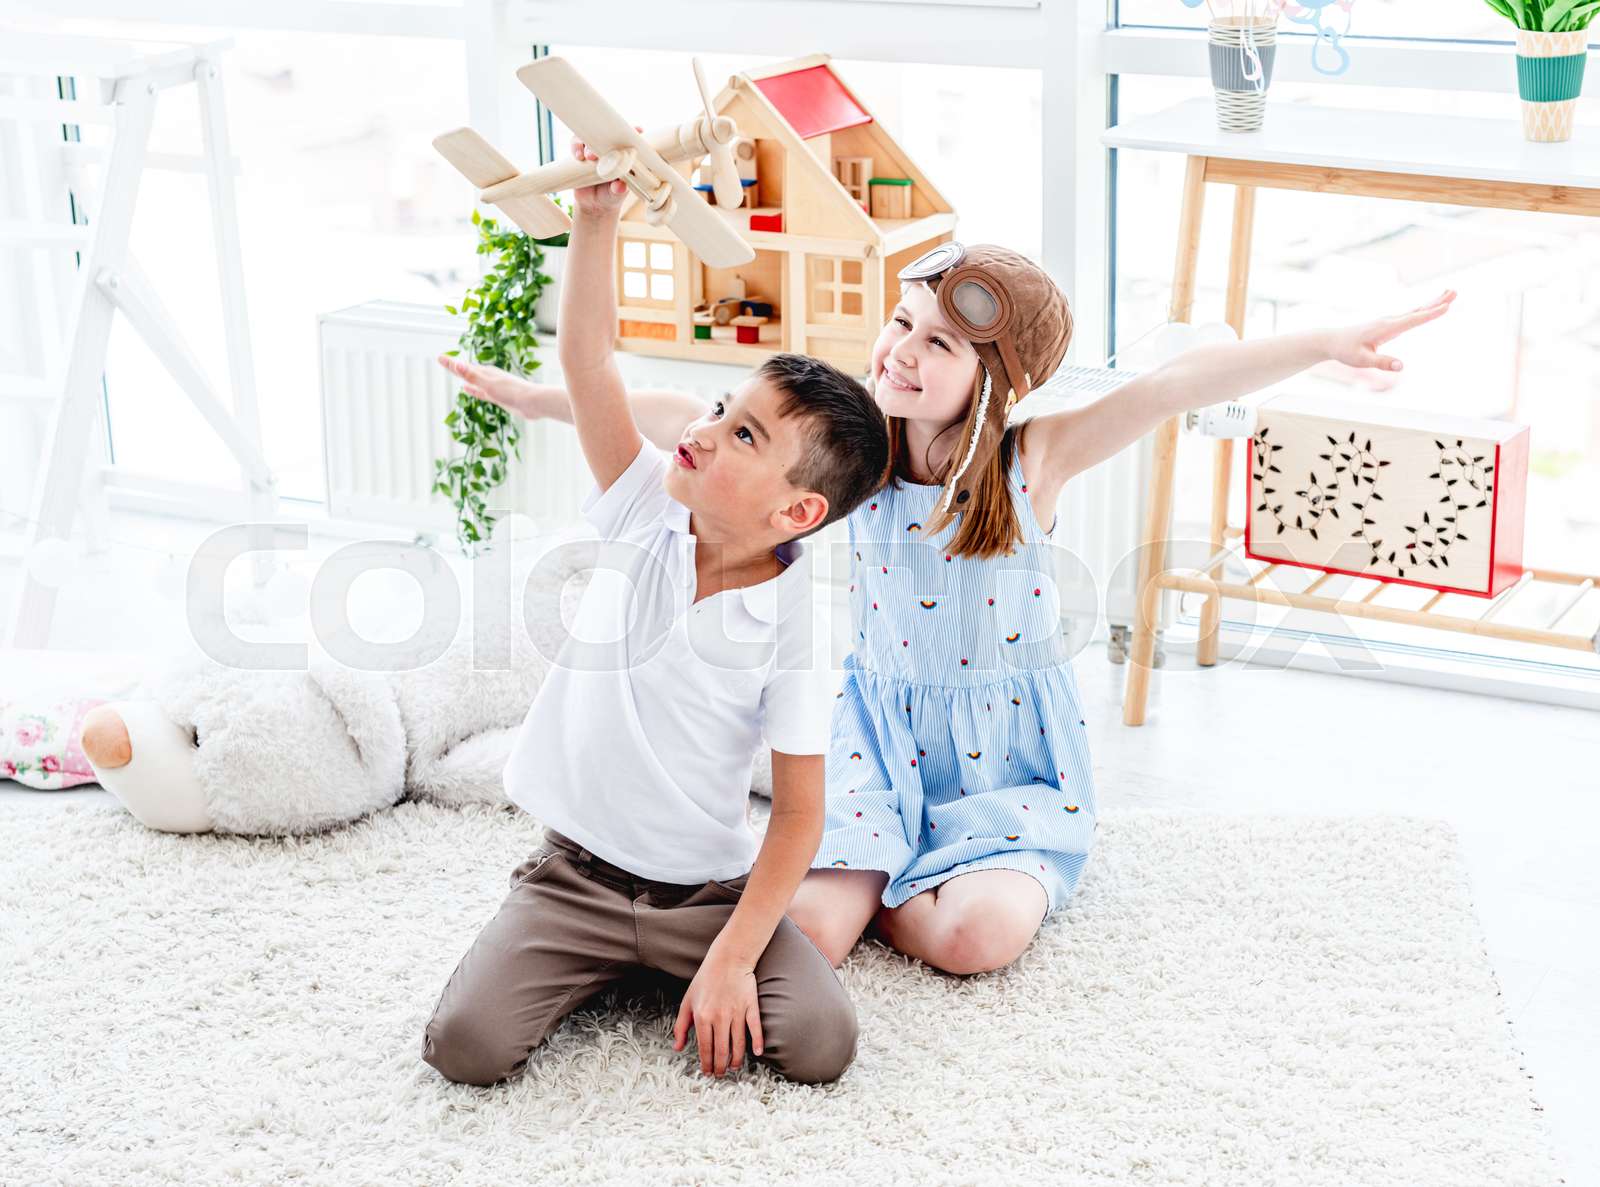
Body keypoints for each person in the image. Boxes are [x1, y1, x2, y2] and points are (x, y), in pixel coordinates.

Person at [447, 240, 1454, 978]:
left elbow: (1172, 383)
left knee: (973, 940)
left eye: (938, 343)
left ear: (990, 379)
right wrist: (540, 398)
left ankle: (913, 883)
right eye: (901, 324)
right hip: (875, 742)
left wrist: (1325, 338)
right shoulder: (856, 456)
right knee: (797, 942)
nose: (903, 352)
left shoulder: (1031, 460)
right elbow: (671, 414)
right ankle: (877, 873)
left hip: (1002, 758)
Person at [420, 137, 889, 1086]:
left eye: (742, 434)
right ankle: (592, 958)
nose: (704, 431)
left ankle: (660, 966)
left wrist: (727, 957)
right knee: (463, 1048)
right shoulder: (643, 501)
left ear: (795, 512)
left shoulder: (800, 620)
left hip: (705, 898)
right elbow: (591, 361)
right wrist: (597, 220)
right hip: (574, 879)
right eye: (722, 407)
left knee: (822, 1046)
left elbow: (798, 817)